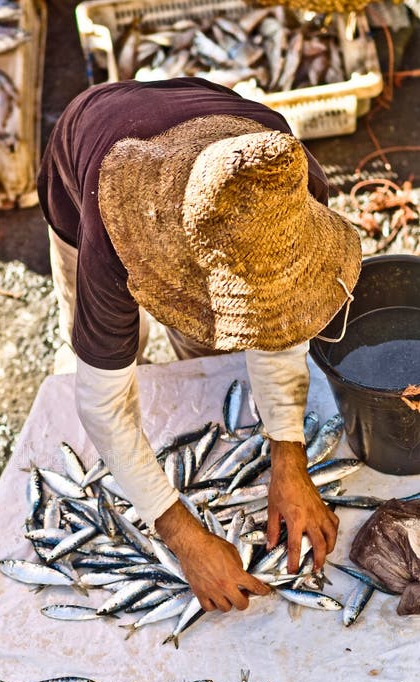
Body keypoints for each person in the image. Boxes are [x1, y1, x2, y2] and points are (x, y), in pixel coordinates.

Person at [37, 77, 362, 615]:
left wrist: (288, 455)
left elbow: (278, 322)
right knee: (112, 351)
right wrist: (184, 537)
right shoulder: (111, 245)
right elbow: (104, 404)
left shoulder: (284, 175)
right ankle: (113, 345)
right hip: (84, 171)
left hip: (194, 132)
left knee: (213, 352)